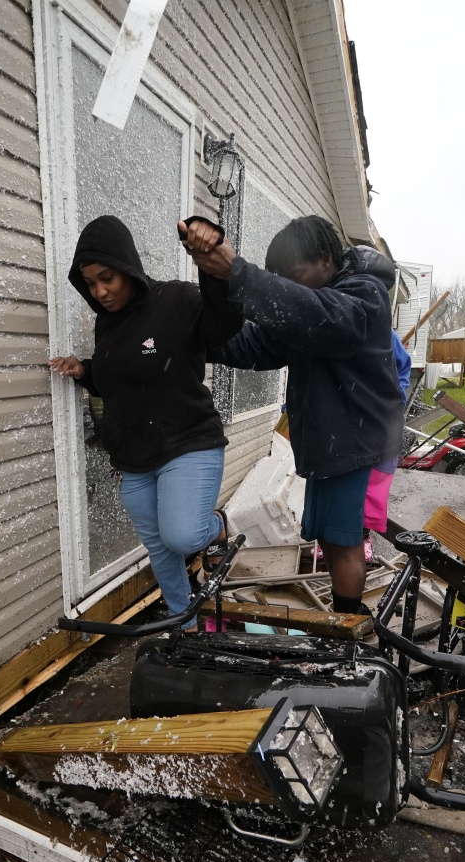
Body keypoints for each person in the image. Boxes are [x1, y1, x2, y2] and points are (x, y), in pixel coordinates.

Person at [187, 215, 404, 615]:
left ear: (326, 260)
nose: (289, 286)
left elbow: (317, 316)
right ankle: (346, 620)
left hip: (357, 443)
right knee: (329, 538)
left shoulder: (362, 296)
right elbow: (254, 345)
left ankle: (347, 629)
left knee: (344, 542)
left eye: (295, 275)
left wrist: (239, 273)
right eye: (280, 279)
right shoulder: (309, 306)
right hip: (330, 444)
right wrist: (196, 341)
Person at [49, 215, 241, 627]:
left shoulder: (177, 301)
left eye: (108, 278)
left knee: (184, 536)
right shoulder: (107, 323)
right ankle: (182, 623)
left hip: (188, 444)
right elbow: (120, 377)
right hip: (135, 460)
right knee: (160, 549)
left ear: (128, 267)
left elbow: (224, 325)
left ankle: (217, 525)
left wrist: (209, 262)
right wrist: (84, 371)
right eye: (91, 283)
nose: (100, 291)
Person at [362, 331, 413, 542]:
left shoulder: (385, 335)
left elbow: (403, 369)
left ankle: (364, 538)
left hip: (382, 427)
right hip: (349, 429)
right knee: (345, 490)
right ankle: (334, 540)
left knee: (373, 488)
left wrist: (394, 398)